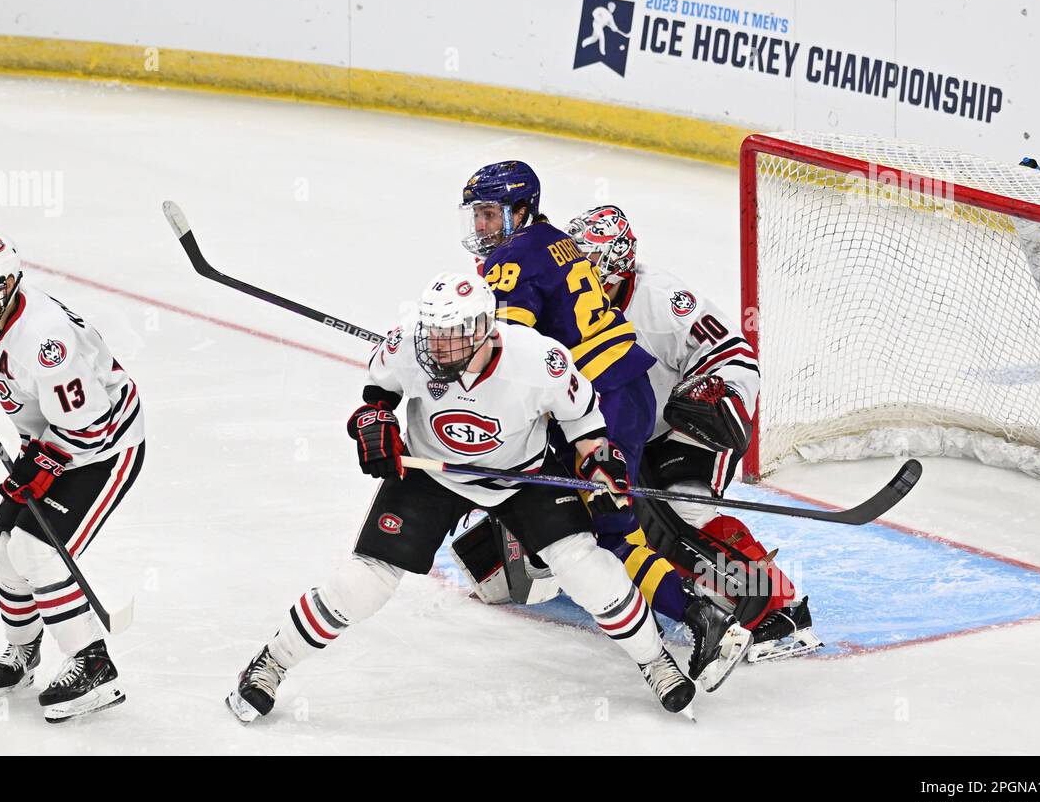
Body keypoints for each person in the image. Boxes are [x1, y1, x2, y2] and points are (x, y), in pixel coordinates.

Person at [226, 271, 750, 723]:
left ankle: (654, 661)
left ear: (482, 330)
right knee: (365, 582)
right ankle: (270, 663)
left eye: (451, 337)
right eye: (433, 333)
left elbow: (584, 424)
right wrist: (373, 421)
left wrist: (600, 462)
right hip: (433, 473)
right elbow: (378, 392)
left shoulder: (541, 361)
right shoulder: (412, 343)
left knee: (587, 567)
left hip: (523, 476)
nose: (437, 346)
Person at [457, 161, 752, 668]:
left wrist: (459, 368)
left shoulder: (510, 260)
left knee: (602, 535)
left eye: (490, 214)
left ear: (520, 210)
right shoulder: (553, 239)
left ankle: (703, 618)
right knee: (611, 526)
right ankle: (691, 611)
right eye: (476, 216)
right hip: (626, 388)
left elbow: (514, 351)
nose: (481, 227)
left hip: (600, 407)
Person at [566, 205, 820, 661]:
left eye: (589, 267)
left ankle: (780, 609)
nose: (579, 279)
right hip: (630, 431)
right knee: (625, 516)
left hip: (695, 422)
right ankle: (695, 593)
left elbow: (733, 354)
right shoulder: (567, 308)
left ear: (615, 262)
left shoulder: (663, 300)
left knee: (685, 507)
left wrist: (714, 393)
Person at [0, 232, 146, 721]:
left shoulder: (46, 341)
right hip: (52, 438)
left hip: (104, 448)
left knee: (36, 550)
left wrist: (45, 463)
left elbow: (90, 425)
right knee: (7, 549)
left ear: (9, 285)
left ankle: (95, 667)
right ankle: (24, 653)